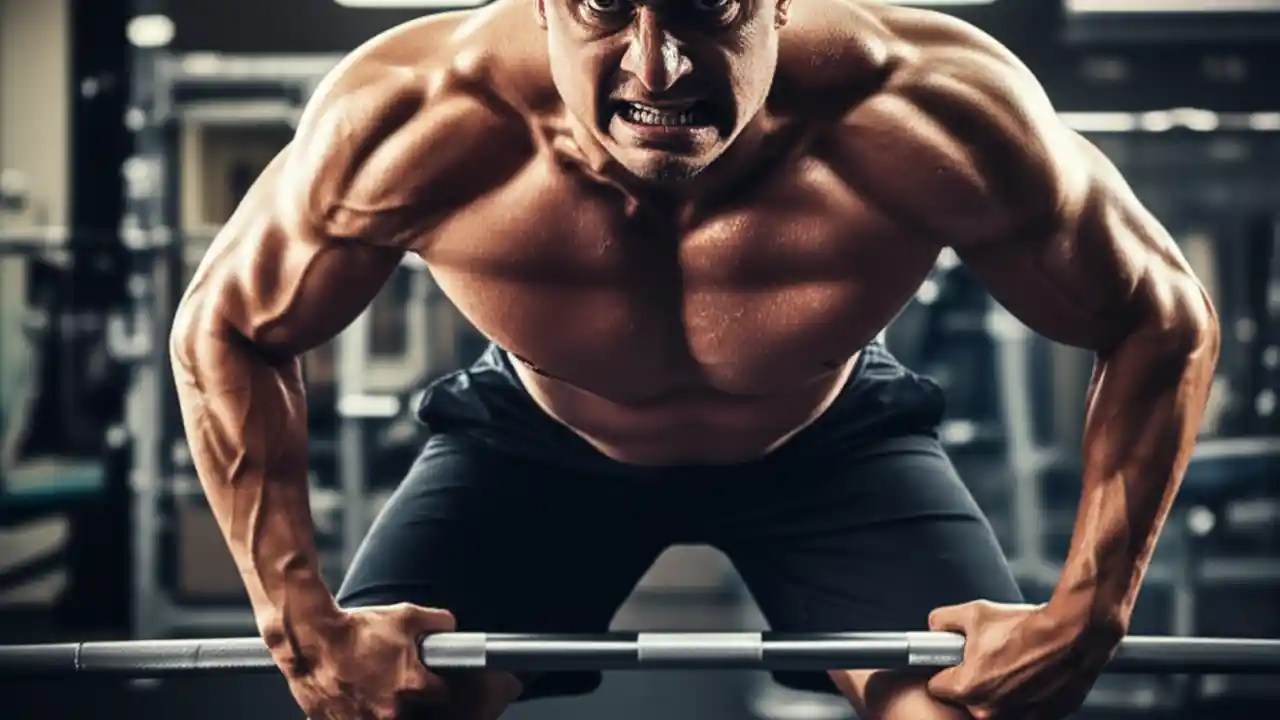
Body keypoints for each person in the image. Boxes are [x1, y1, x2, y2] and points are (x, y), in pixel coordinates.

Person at [168, 0, 1220, 717]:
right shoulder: (414, 115)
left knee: (978, 707)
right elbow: (225, 327)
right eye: (601, 9)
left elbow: (1157, 317)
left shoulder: (926, 108)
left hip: (828, 447)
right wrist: (299, 618)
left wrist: (1089, 605)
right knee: (376, 701)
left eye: (704, 5)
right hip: (534, 447)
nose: (654, 64)